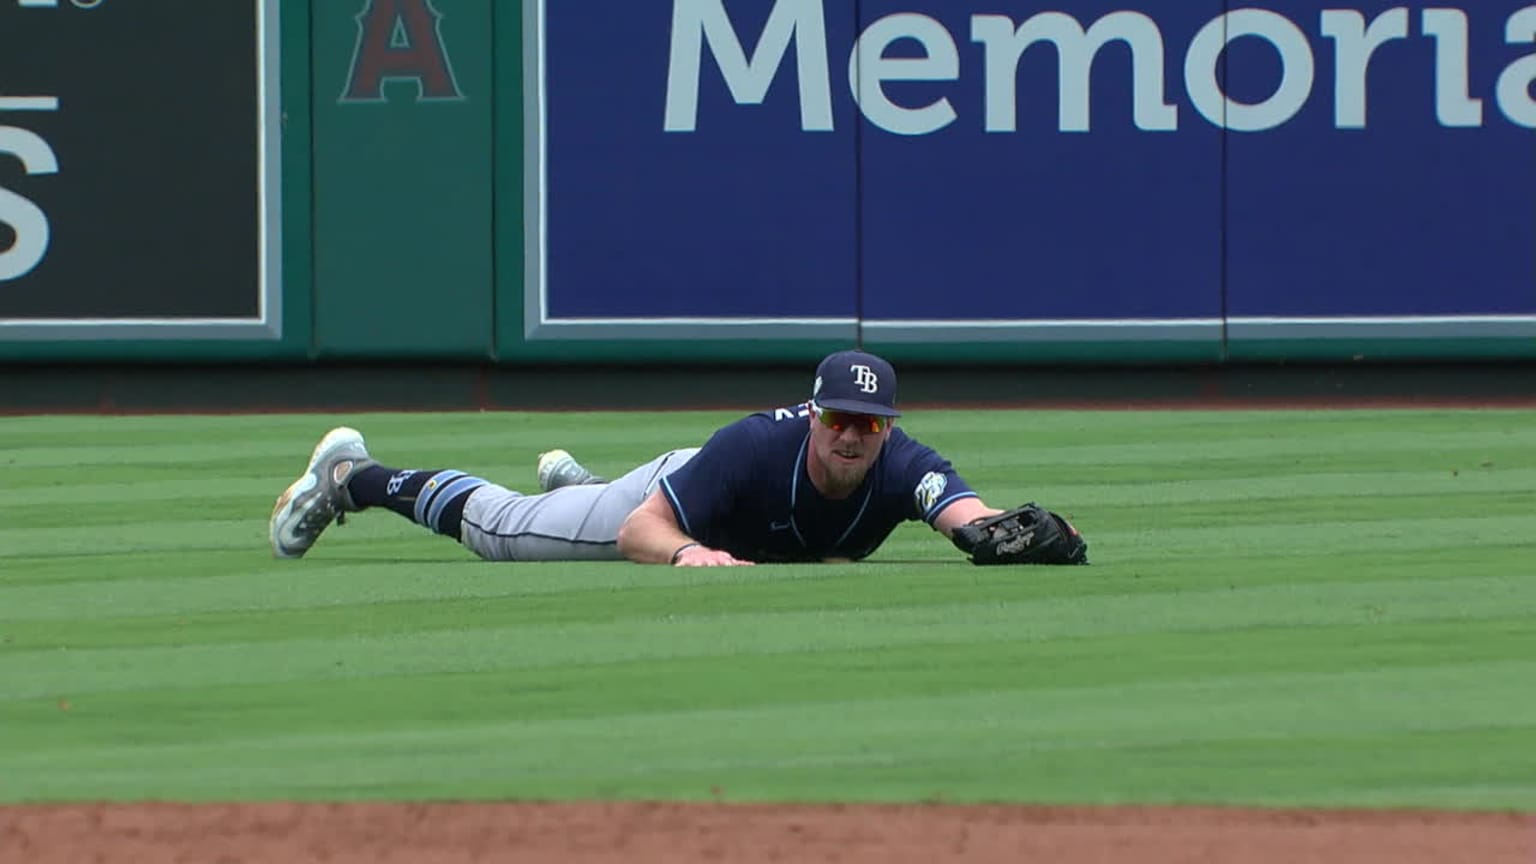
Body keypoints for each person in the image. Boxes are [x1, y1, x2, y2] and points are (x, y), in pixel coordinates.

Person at [269, 350, 1085, 566]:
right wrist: (689, 552)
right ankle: (353, 477)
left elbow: (970, 520)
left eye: (869, 425)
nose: (851, 435)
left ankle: (578, 485)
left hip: (696, 501)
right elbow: (641, 531)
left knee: (578, 507)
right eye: (838, 416)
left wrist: (1011, 532)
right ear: (813, 414)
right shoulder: (755, 448)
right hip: (674, 498)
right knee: (506, 530)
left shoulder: (905, 464)